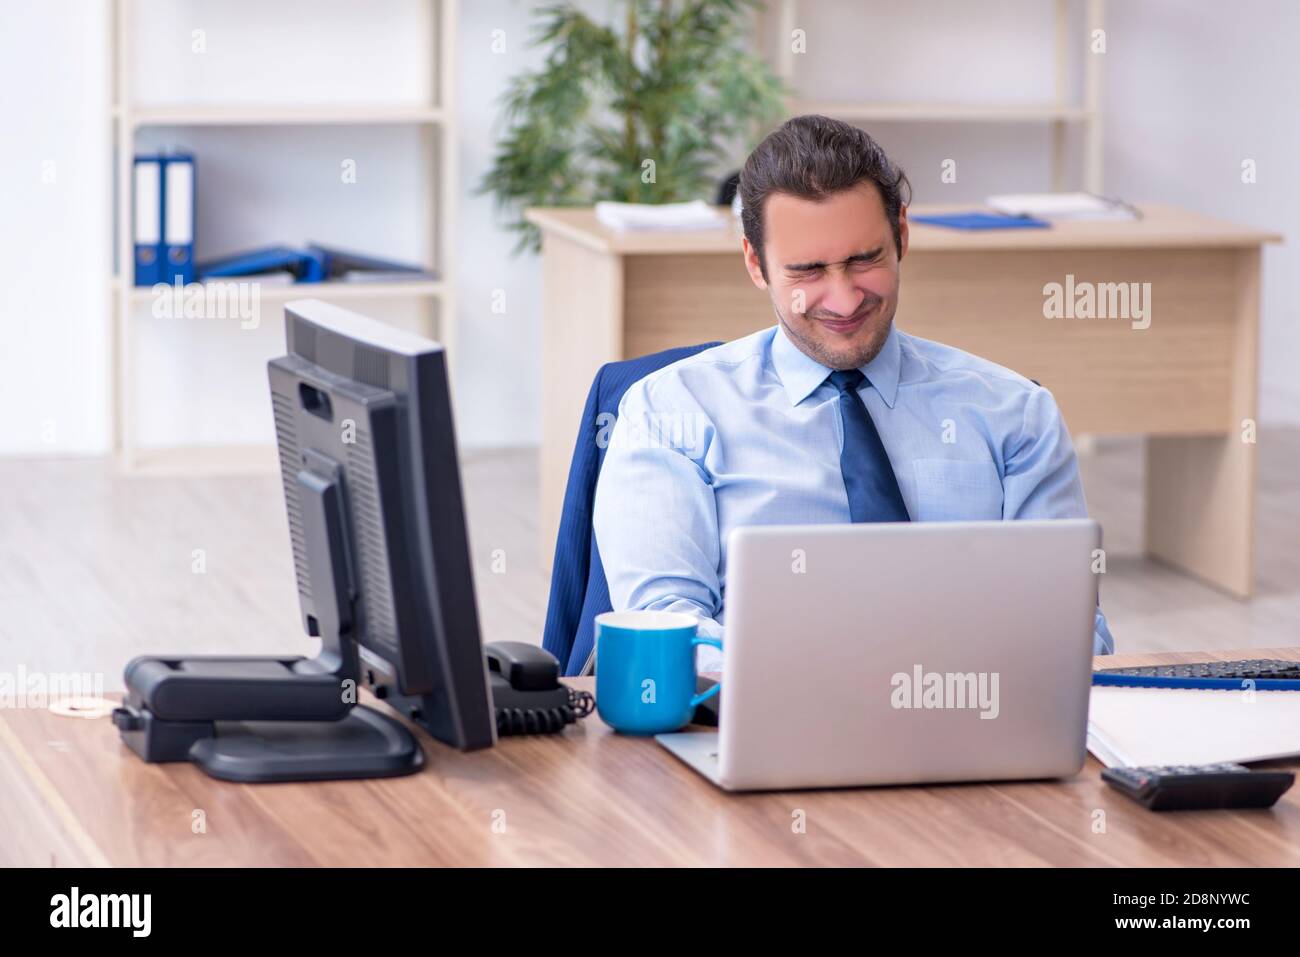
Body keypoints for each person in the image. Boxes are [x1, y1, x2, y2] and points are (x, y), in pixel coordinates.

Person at [593, 115, 1114, 672]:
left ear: (903, 236)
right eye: (808, 271)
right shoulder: (672, 410)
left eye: (864, 260)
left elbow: (1075, 631)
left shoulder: (1016, 414)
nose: (843, 301)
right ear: (755, 264)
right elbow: (663, 624)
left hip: (968, 718)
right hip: (764, 721)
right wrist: (821, 677)